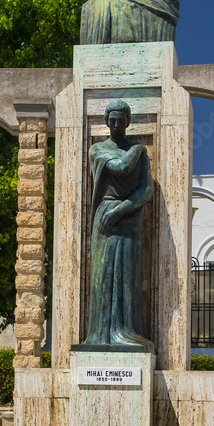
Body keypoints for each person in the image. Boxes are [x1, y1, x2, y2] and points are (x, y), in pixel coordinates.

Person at [84, 99, 154, 349]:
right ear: (106, 121)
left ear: (127, 122)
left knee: (127, 275)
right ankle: (101, 335)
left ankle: (125, 332)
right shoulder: (98, 150)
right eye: (111, 120)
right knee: (103, 274)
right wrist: (140, 148)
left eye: (120, 120)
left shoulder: (138, 153)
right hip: (105, 216)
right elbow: (121, 167)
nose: (115, 125)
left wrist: (122, 209)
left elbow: (147, 189)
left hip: (129, 216)